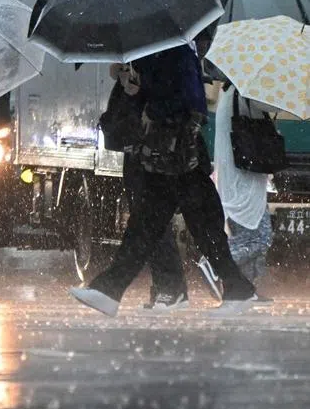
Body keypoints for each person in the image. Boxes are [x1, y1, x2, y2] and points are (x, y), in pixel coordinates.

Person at [71, 44, 260, 316]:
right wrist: (133, 85)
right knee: (168, 225)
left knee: (156, 225)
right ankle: (111, 289)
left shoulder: (175, 52)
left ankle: (111, 289)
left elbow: (190, 99)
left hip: (176, 156)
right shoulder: (162, 50)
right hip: (170, 159)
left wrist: (152, 106)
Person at [109, 63, 189, 311]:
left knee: (154, 223)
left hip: (154, 158)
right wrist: (126, 88)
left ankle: (172, 287)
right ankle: (164, 286)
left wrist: (139, 94)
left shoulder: (162, 75)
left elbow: (162, 114)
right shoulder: (130, 82)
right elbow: (118, 122)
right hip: (136, 159)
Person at [212, 85, 275, 297]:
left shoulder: (231, 92)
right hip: (243, 178)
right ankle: (216, 263)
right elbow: (268, 104)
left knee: (249, 235)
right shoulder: (245, 93)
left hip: (242, 175)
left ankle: (243, 289)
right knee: (260, 238)